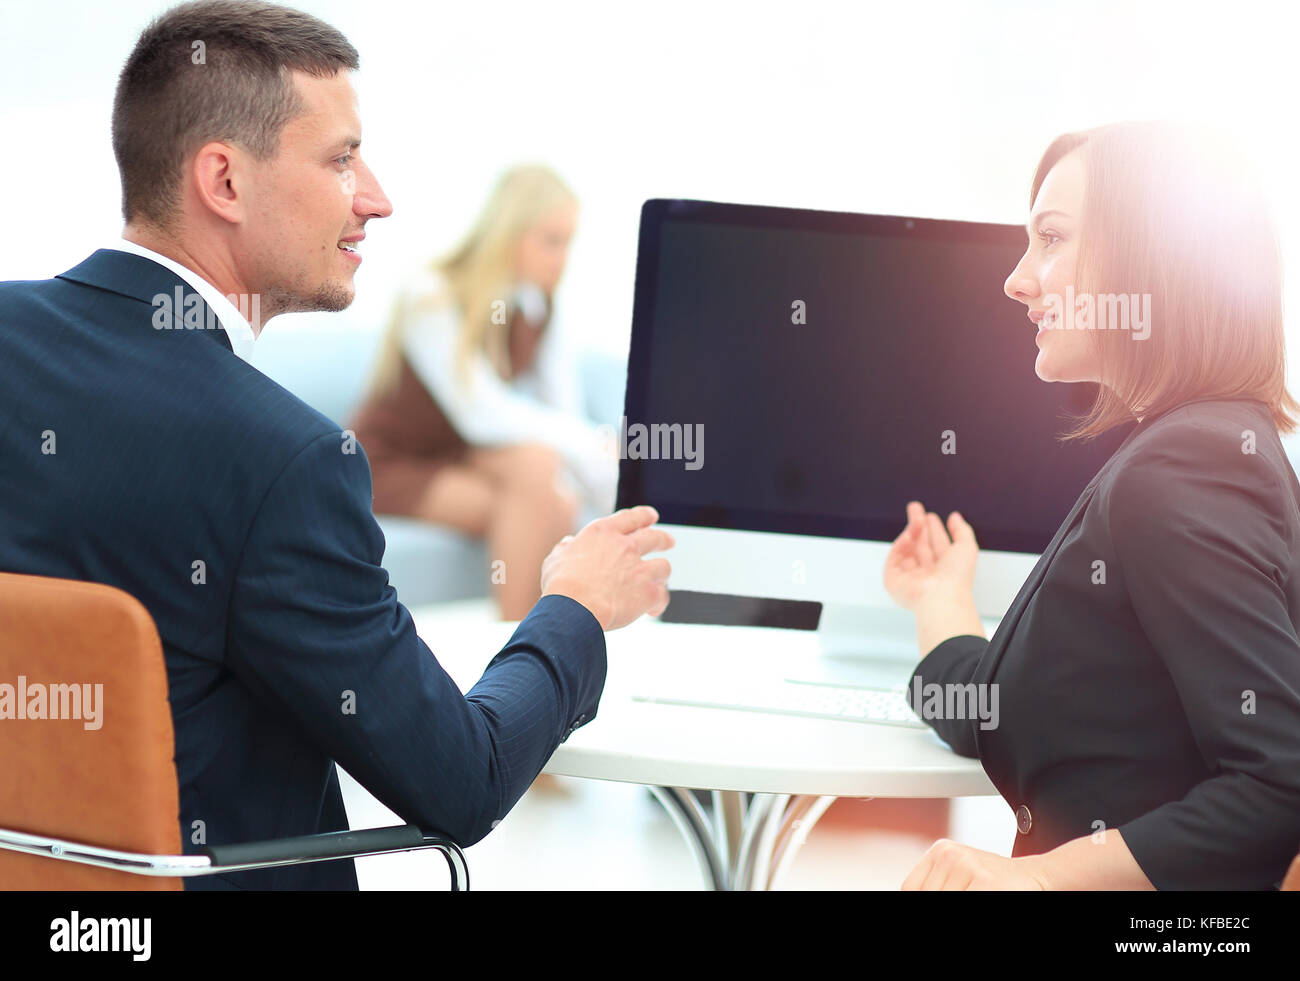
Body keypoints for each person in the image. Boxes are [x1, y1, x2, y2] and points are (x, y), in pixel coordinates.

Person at [0, 0, 672, 889]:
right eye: (342, 159)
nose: (377, 199)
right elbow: (462, 780)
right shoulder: (285, 462)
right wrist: (576, 606)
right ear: (225, 183)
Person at [885, 121, 1300, 890]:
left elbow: (1281, 784)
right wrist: (939, 599)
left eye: (1050, 238)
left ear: (1155, 259)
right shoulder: (1184, 450)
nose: (1018, 278)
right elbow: (1001, 710)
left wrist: (1042, 879)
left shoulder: (1190, 464)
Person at [348, 165, 617, 621]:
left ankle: (531, 651)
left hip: (462, 459)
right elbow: (479, 413)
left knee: (545, 480)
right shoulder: (431, 294)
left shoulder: (539, 305)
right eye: (551, 241)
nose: (562, 259)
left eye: (568, 243)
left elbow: (558, 406)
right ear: (508, 235)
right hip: (393, 464)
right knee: (540, 494)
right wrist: (589, 446)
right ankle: (520, 652)